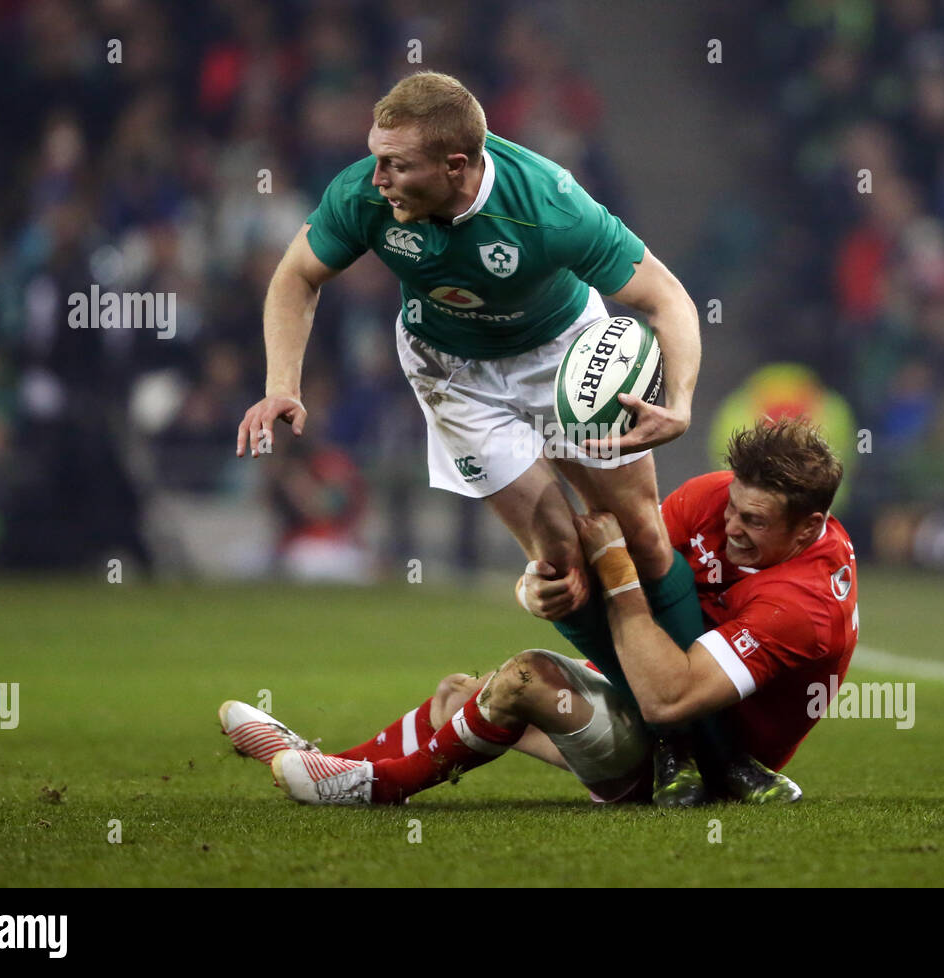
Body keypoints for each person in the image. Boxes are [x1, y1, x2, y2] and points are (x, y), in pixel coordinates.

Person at [234, 71, 712, 799]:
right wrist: (280, 385)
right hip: (450, 369)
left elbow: (666, 297)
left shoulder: (547, 206)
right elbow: (298, 275)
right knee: (560, 568)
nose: (378, 175)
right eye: (375, 156)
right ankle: (671, 731)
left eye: (397, 164)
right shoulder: (365, 195)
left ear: (456, 166)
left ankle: (694, 733)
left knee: (640, 535)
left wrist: (677, 401)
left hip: (563, 355)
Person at [220, 417, 859, 806]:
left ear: (808, 529)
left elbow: (670, 696)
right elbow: (605, 565)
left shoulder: (803, 602)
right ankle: (333, 758)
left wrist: (614, 575)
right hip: (642, 698)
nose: (733, 526)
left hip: (706, 757)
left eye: (754, 521)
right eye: (733, 509)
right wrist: (537, 589)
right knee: (458, 698)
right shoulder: (713, 498)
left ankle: (368, 788)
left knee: (528, 678)